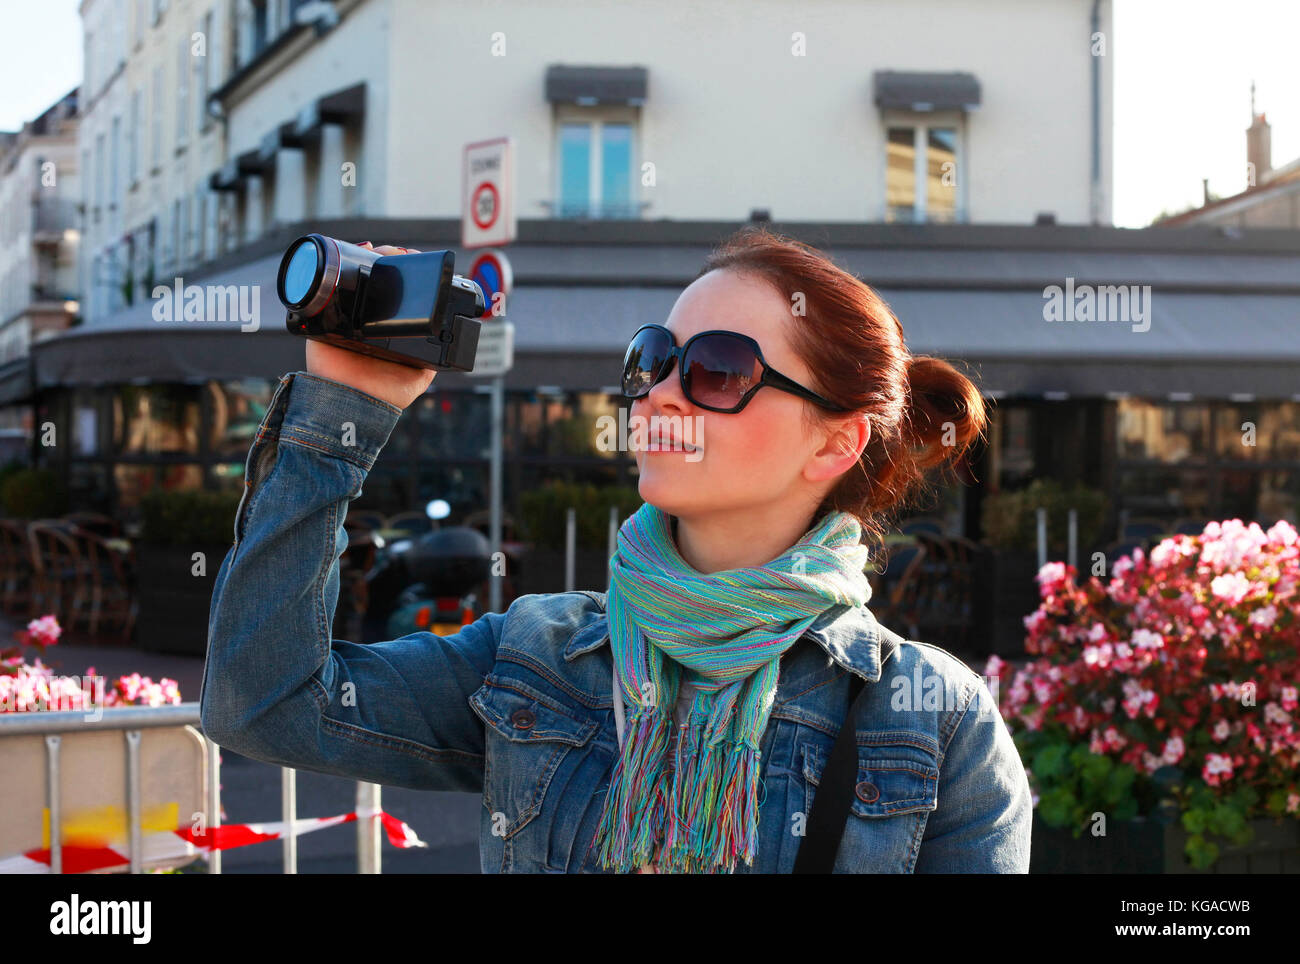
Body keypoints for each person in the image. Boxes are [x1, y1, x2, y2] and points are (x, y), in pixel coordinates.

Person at [201, 227, 1033, 874]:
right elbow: (264, 703)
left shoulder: (931, 720)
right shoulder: (536, 656)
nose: (661, 393)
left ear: (834, 445)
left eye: (717, 370)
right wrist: (340, 414)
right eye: (652, 361)